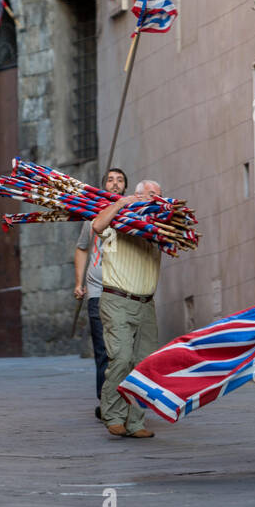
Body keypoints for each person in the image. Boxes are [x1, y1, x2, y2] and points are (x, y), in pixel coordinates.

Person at [94, 179, 163, 440]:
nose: (157, 197)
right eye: (151, 194)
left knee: (144, 364)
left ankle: (135, 422)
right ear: (137, 196)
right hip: (117, 301)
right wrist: (120, 204)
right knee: (121, 358)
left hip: (146, 305)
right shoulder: (119, 222)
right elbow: (98, 225)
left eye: (159, 194)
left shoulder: (159, 230)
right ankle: (112, 415)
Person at [74, 167, 127, 420]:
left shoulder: (133, 216)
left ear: (125, 188)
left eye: (119, 181)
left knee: (125, 350)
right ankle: (105, 400)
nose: (114, 184)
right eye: (110, 180)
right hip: (97, 292)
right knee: (103, 349)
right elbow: (82, 248)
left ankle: (123, 397)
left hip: (125, 292)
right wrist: (79, 282)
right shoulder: (92, 216)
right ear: (104, 185)